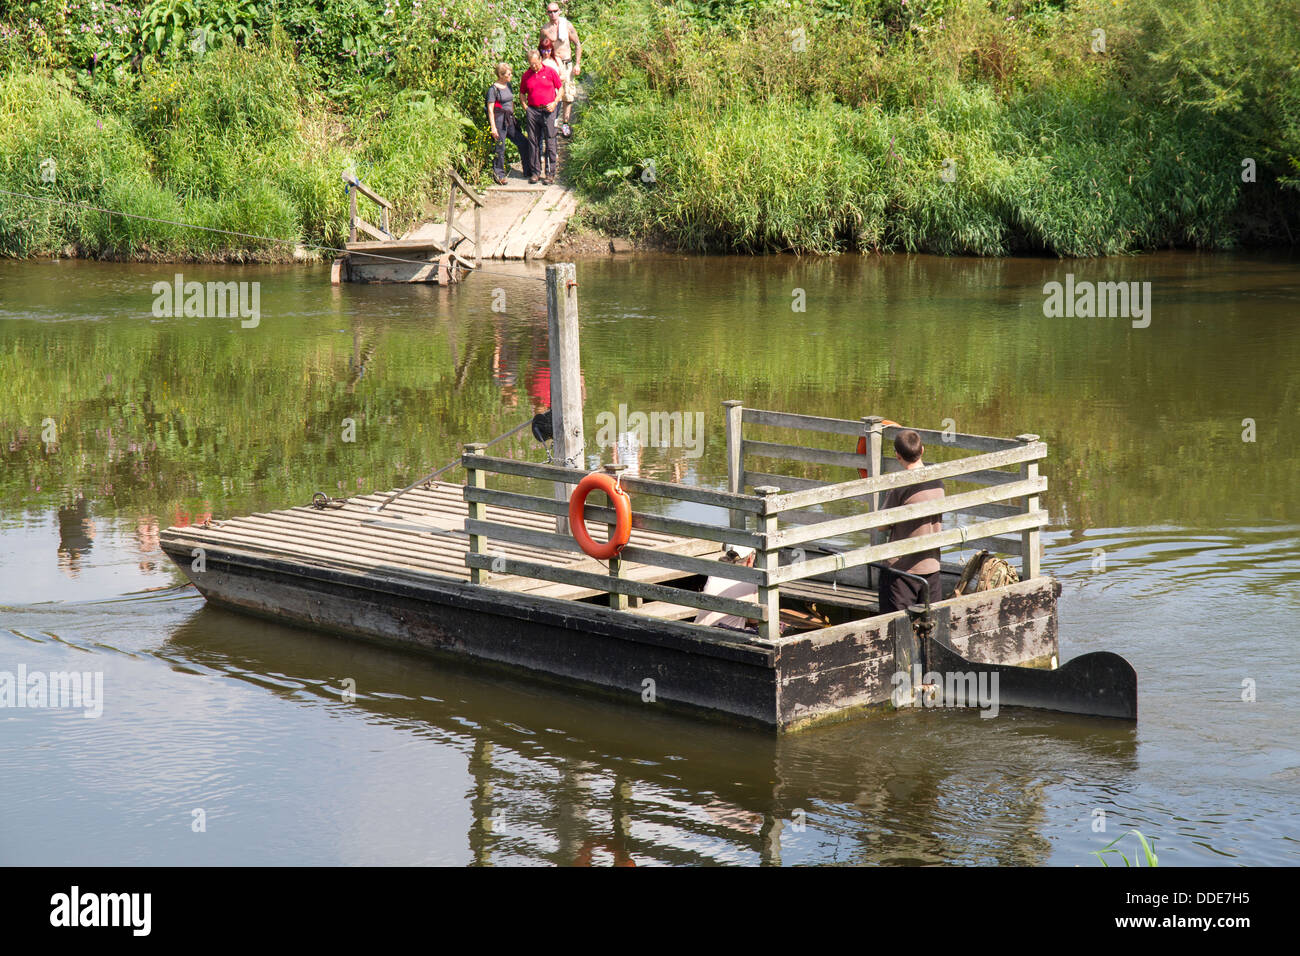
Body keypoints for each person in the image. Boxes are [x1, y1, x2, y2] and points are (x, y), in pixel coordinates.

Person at [877, 429, 945, 614]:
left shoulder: (901, 486)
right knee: (931, 626)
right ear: (922, 450)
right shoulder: (938, 482)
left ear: (897, 455)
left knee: (895, 630)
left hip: (901, 571)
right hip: (931, 567)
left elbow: (881, 524)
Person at [519, 48, 562, 184]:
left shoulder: (550, 72)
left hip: (548, 110)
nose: (534, 66)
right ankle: (535, 172)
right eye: (531, 64)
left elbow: (560, 89)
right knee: (533, 141)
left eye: (535, 63)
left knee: (550, 140)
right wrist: (525, 106)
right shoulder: (526, 75)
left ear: (540, 60)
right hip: (533, 110)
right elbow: (522, 93)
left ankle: (550, 174)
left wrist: (555, 103)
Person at [485, 62, 532, 184]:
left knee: (523, 142)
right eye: (508, 74)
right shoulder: (493, 89)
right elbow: (490, 110)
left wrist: (513, 116)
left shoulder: (508, 85)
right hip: (499, 120)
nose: (511, 75)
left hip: (509, 119)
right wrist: (493, 127)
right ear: (501, 75)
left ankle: (528, 170)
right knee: (500, 147)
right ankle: (499, 174)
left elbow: (511, 102)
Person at [540, 2, 581, 137]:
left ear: (559, 11)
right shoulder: (545, 29)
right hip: (553, 64)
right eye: (550, 12)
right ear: (547, 13)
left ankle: (565, 123)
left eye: (555, 11)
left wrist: (577, 64)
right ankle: (552, 121)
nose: (553, 14)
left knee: (568, 95)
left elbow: (577, 44)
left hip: (567, 63)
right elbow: (541, 47)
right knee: (553, 93)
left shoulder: (567, 25)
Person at [695, 545, 759, 631]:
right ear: (750, 558)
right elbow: (755, 621)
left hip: (699, 629)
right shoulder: (752, 583)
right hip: (725, 635)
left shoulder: (714, 574)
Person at [537, 38, 563, 179]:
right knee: (541, 129)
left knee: (553, 126)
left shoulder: (556, 61)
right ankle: (542, 153)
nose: (546, 53)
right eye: (543, 50)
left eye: (548, 50)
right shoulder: (538, 63)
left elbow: (562, 78)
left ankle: (553, 151)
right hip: (542, 101)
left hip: (554, 99)